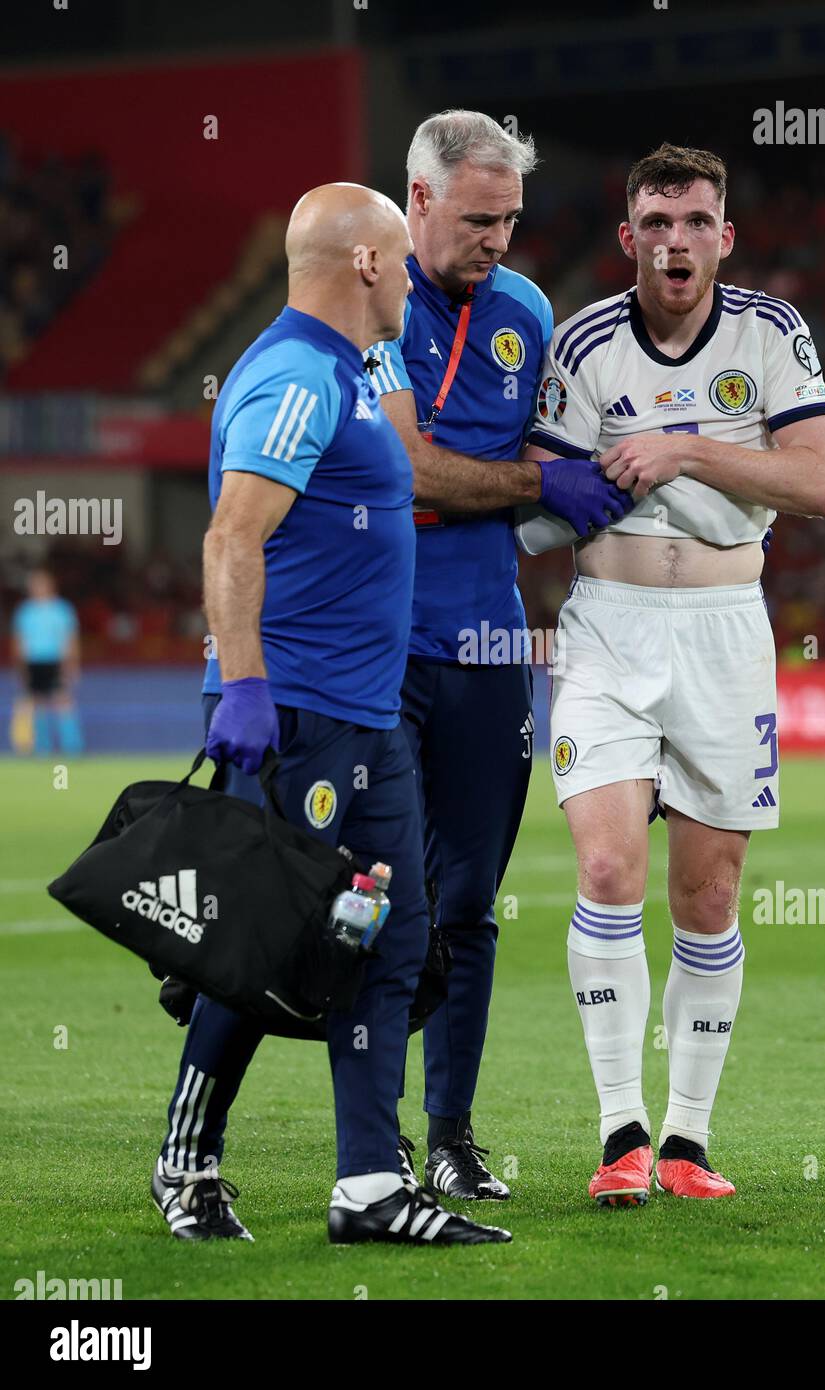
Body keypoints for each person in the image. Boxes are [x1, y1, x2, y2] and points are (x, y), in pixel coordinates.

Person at [152, 181, 510, 1246]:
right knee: (260, 948)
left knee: (387, 941)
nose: (410, 275)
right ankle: (187, 1162)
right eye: (398, 258)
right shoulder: (299, 376)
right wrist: (249, 685)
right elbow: (230, 536)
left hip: (367, 719)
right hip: (299, 716)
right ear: (361, 265)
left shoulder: (347, 375)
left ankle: (368, 1186)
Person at [521, 144, 825, 1206]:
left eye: (694, 221)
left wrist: (684, 451)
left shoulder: (771, 332)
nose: (675, 240)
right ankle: (619, 1128)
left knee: (707, 893)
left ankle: (687, 1139)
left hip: (722, 633)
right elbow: (539, 507)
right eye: (655, 222)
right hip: (608, 629)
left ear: (724, 235)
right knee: (609, 872)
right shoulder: (582, 343)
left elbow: (822, 482)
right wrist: (585, 487)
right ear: (628, 237)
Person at [367, 110, 632, 1199]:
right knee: (376, 899)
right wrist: (530, 486)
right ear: (419, 198)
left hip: (486, 644)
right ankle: (368, 1135)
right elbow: (412, 472)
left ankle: (452, 1133)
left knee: (470, 903)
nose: (498, 242)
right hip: (373, 646)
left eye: (512, 220)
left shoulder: (526, 311)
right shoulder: (368, 296)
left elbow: (551, 455)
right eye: (479, 219)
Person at [11, 567, 83, 754]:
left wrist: (72, 664)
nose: (37, 588)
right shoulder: (25, 611)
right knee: (37, 704)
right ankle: (42, 747)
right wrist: (21, 667)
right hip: (34, 662)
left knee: (63, 701)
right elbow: (20, 641)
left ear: (50, 585)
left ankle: (72, 747)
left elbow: (70, 638)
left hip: (56, 661)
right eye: (34, 584)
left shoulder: (62, 609)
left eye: (41, 583)